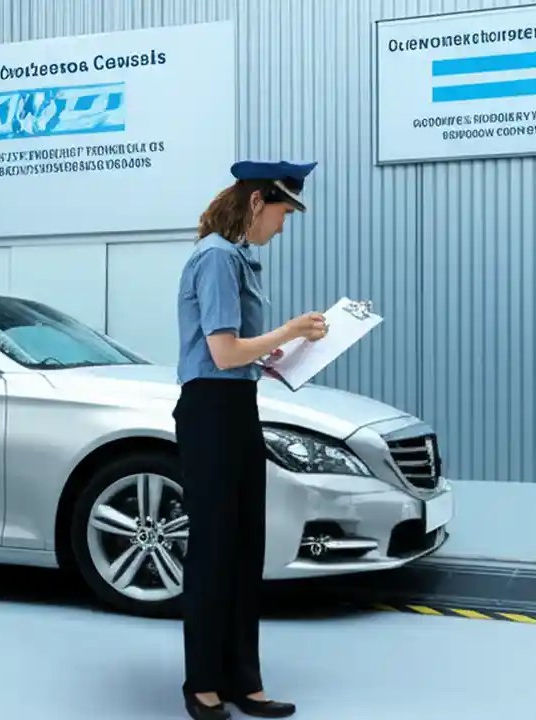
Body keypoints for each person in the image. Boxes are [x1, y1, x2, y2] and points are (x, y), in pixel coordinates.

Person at [173, 160, 328, 720]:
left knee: (243, 548)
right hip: (211, 413)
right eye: (285, 212)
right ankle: (203, 685)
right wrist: (287, 331)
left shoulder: (236, 259)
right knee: (216, 550)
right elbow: (221, 353)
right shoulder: (217, 256)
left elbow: (237, 355)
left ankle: (243, 680)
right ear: (260, 202)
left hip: (235, 408)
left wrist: (275, 352)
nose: (284, 226)